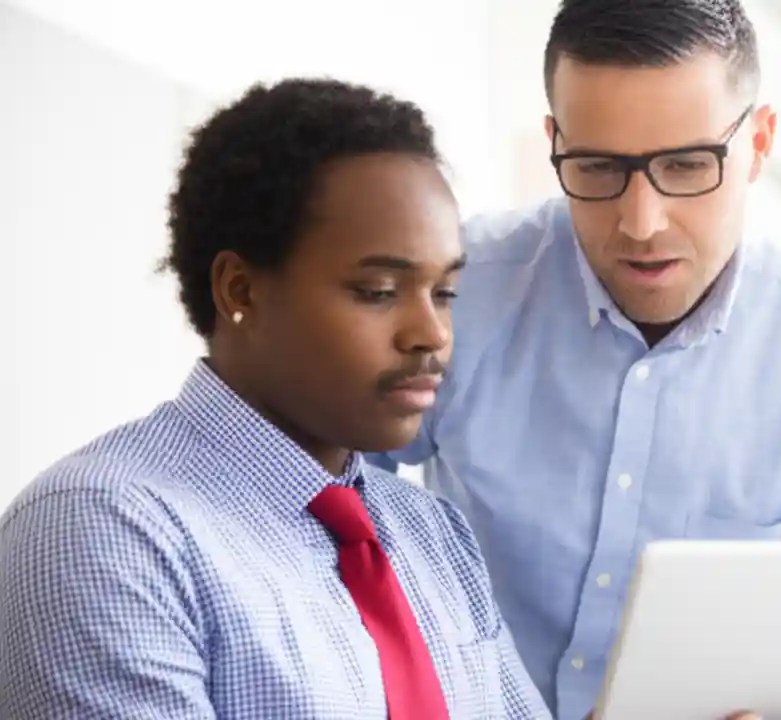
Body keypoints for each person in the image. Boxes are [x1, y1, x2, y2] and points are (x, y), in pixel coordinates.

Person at [369, 1, 781, 719]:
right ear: (556, 142)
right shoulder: (460, 290)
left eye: (687, 165)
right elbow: (328, 518)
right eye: (596, 167)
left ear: (761, 142)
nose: (641, 224)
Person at [0, 78, 551, 719]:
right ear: (240, 290)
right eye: (378, 290)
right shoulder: (105, 530)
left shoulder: (434, 533)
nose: (431, 333)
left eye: (445, 293)